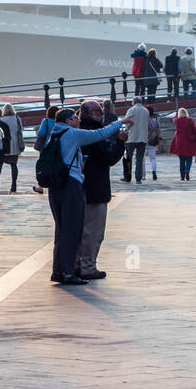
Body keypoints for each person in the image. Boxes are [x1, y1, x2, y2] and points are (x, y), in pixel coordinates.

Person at [42, 107, 128, 286]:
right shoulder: (72, 133)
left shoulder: (53, 133)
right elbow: (100, 134)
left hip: (55, 186)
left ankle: (58, 270)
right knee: (72, 231)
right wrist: (121, 123)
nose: (78, 120)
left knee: (61, 230)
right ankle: (68, 272)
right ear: (68, 121)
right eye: (74, 118)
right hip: (71, 186)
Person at [76, 100, 126, 281]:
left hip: (79, 188)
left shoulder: (78, 131)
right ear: (89, 113)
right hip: (95, 188)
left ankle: (77, 264)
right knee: (93, 231)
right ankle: (88, 267)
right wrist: (120, 143)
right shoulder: (93, 134)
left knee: (80, 230)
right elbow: (108, 158)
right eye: (98, 110)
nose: (102, 112)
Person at [122, 96, 151, 184]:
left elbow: (127, 123)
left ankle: (127, 177)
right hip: (143, 137)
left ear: (133, 102)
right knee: (139, 158)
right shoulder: (146, 111)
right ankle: (138, 178)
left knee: (129, 158)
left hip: (132, 137)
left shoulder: (131, 110)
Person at [32, 106, 59, 194]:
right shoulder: (59, 122)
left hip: (46, 147)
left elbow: (41, 133)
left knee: (44, 166)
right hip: (57, 147)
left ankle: (41, 186)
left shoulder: (46, 121)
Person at [0, 104, 24, 193]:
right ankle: (14, 184)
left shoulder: (1, 119)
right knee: (14, 165)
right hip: (15, 144)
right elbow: (20, 131)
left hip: (5, 144)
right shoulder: (17, 119)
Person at [170, 108, 196, 180]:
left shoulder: (177, 121)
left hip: (180, 143)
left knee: (181, 161)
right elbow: (195, 130)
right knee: (189, 159)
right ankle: (187, 170)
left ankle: (182, 177)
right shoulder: (190, 120)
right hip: (189, 142)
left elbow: (174, 118)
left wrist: (177, 113)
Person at [146, 103, 160, 180]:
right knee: (153, 158)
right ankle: (154, 171)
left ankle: (142, 175)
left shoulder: (144, 120)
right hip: (153, 139)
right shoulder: (155, 119)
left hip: (144, 139)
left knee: (141, 158)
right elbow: (158, 130)